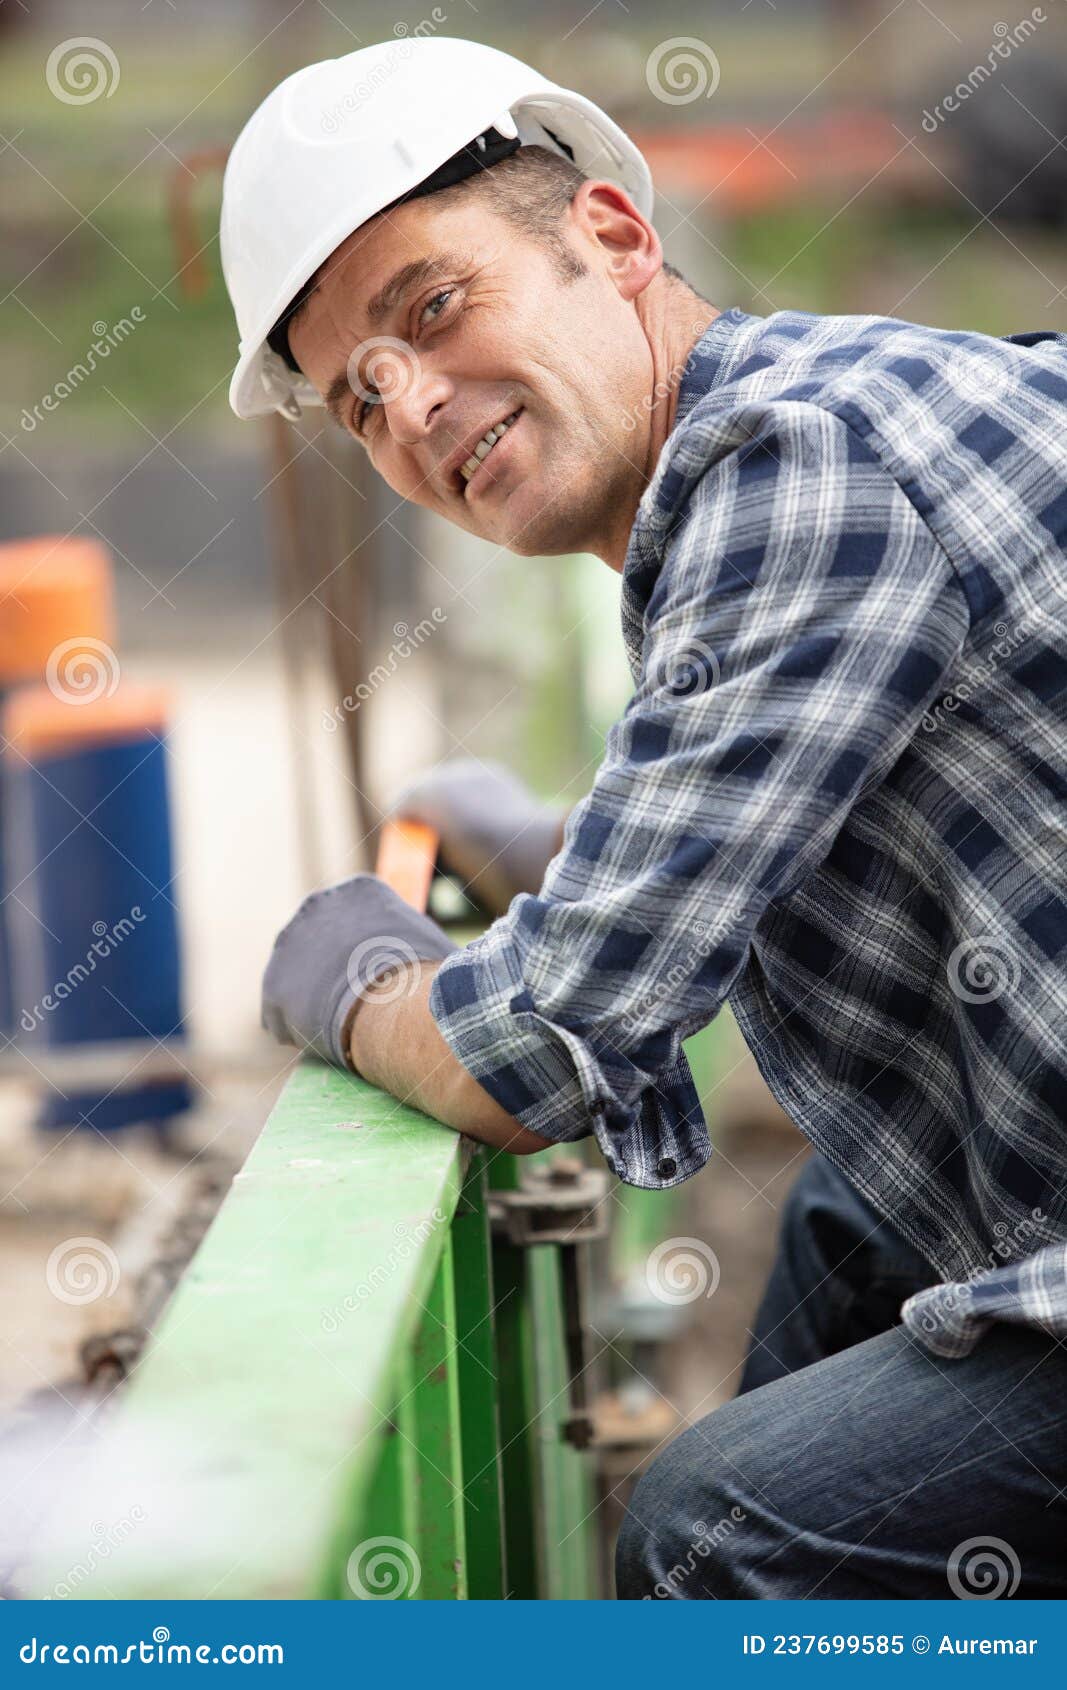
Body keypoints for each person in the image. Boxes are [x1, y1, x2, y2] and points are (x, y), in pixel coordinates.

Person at [222, 39, 1067, 1597]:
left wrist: (356, 984)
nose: (412, 407)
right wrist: (579, 853)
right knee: (855, 1213)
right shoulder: (809, 419)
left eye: (431, 307)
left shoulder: (802, 471)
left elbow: (538, 1048)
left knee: (720, 1526)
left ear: (611, 236)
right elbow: (819, 801)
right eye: (359, 398)